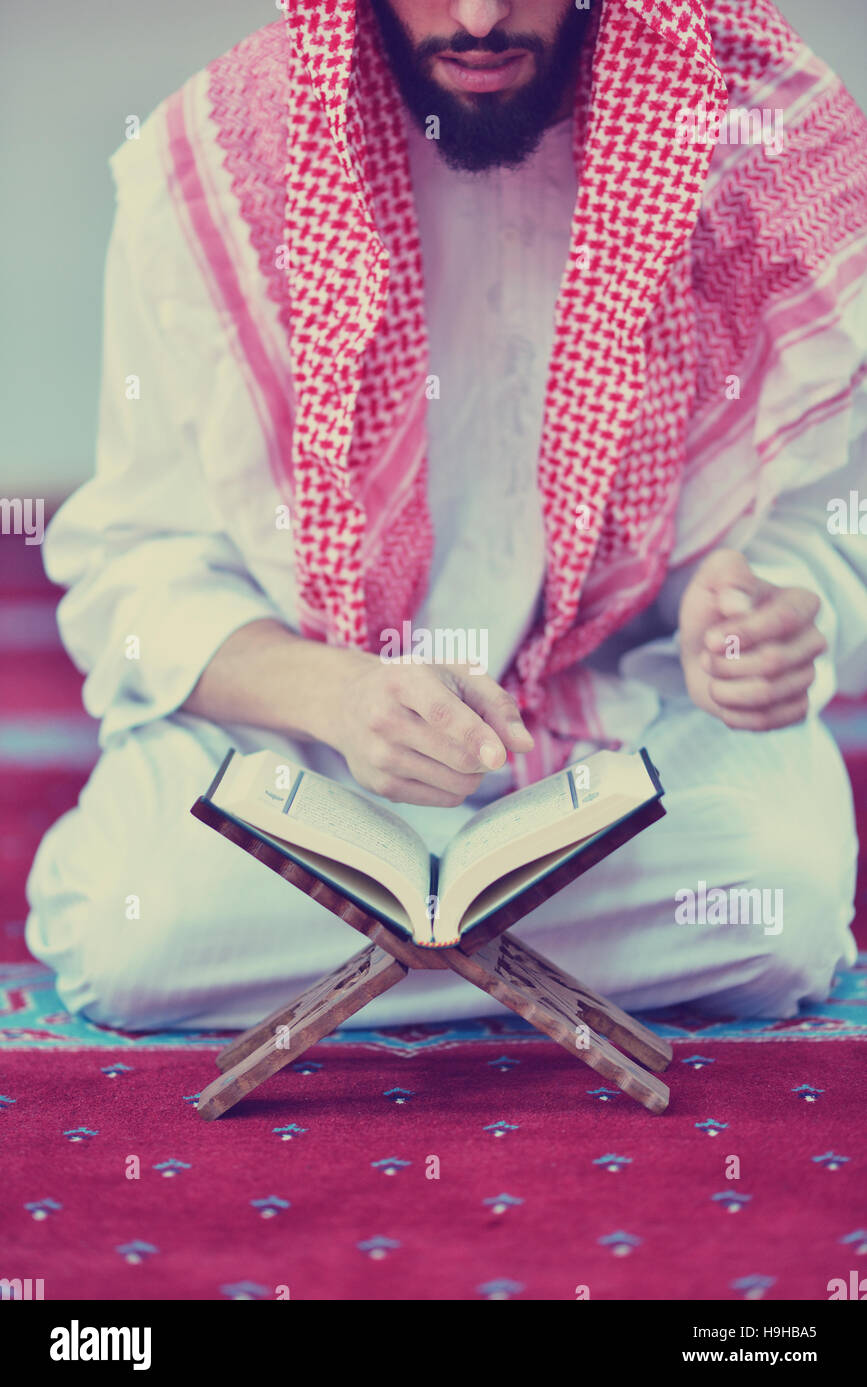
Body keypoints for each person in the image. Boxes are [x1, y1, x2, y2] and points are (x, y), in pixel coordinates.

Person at [26, 0, 867, 1031]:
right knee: (139, 929)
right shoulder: (204, 164)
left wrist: (753, 606)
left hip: (622, 754)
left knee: (779, 898)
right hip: (314, 757)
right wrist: (341, 699)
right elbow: (138, 569)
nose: (478, 18)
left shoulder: (757, 147)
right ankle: (522, 946)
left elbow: (819, 521)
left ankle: (382, 949)